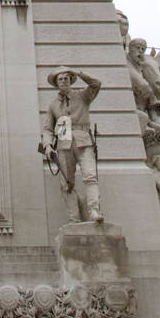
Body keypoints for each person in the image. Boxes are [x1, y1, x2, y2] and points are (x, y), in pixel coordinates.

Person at [40, 67, 103, 223]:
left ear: (71, 80)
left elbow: (96, 84)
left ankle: (94, 210)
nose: (64, 81)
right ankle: (74, 219)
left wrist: (80, 73)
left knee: (90, 176)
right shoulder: (53, 105)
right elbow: (47, 128)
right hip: (63, 145)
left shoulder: (82, 95)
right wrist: (47, 145)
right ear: (56, 83)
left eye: (67, 78)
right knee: (66, 184)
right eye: (61, 79)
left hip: (83, 142)